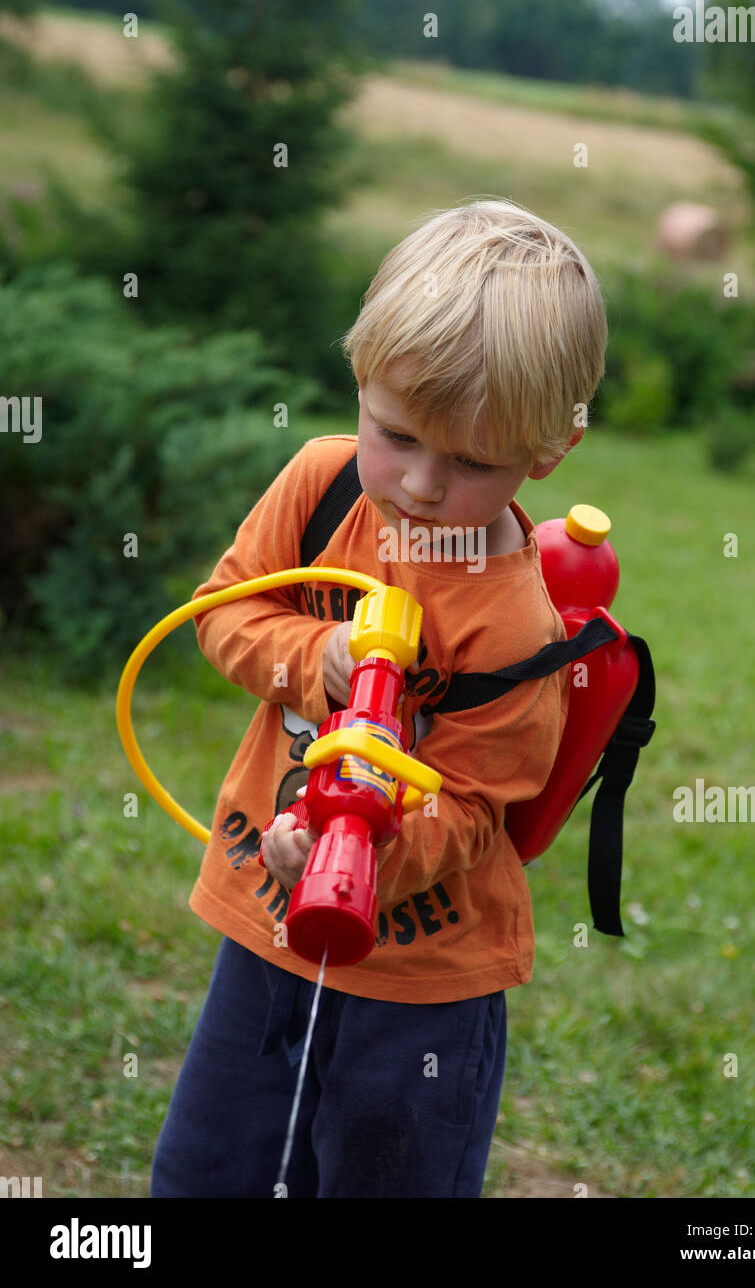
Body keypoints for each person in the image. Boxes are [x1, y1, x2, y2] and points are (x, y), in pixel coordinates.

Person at [150, 198, 608, 1199]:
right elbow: (221, 615)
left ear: (548, 451)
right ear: (360, 382)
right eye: (395, 435)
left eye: (474, 462)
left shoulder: (516, 627)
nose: (421, 484)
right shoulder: (320, 490)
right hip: (267, 921)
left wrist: (357, 856)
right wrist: (310, 653)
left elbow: (475, 808)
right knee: (206, 1171)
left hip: (423, 981)